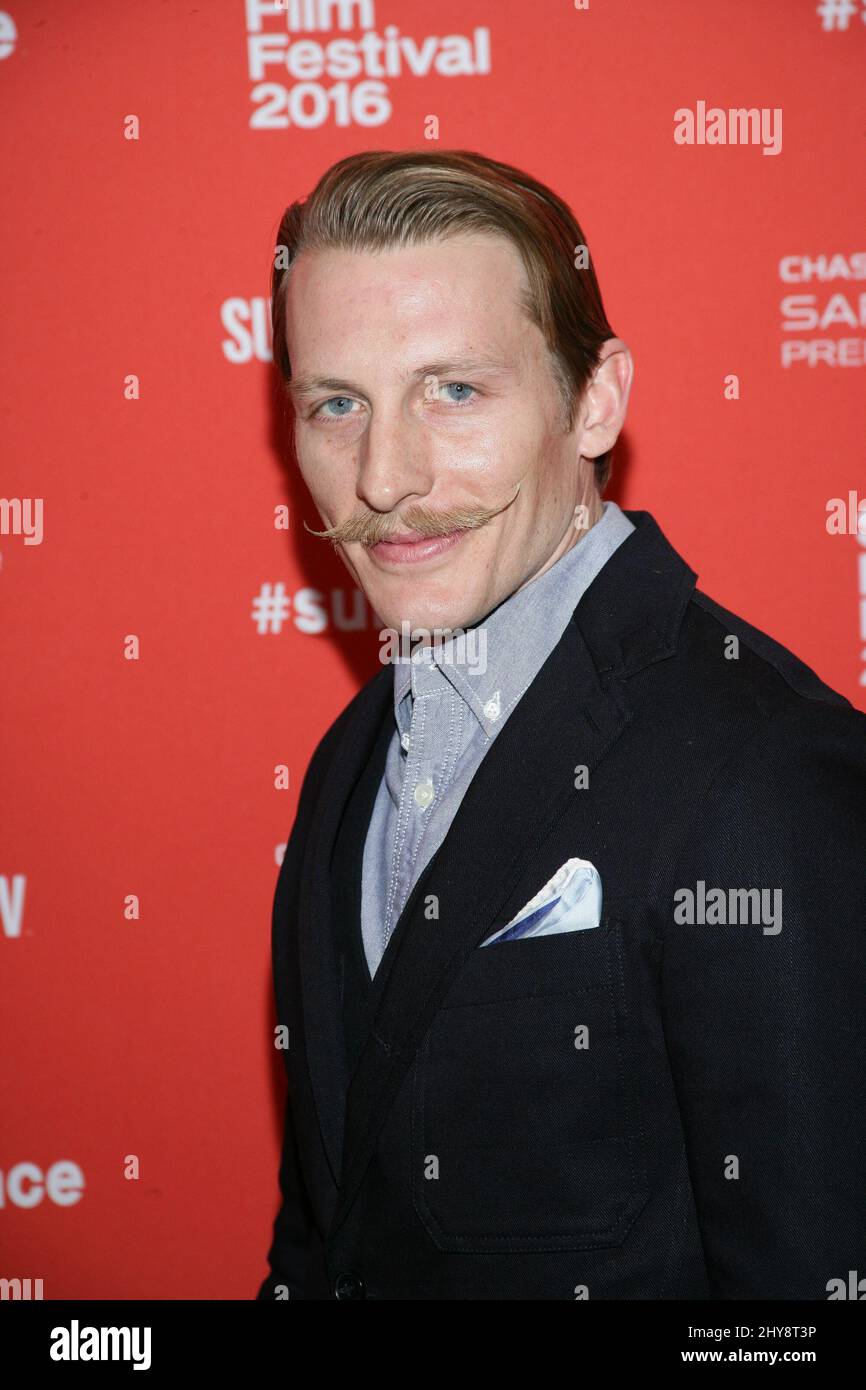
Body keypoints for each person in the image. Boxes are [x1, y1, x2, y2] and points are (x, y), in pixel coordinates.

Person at [257, 149, 866, 1300]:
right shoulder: (352, 762)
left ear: (593, 402)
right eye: (337, 404)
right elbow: (329, 1234)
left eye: (453, 390)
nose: (384, 476)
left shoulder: (764, 774)